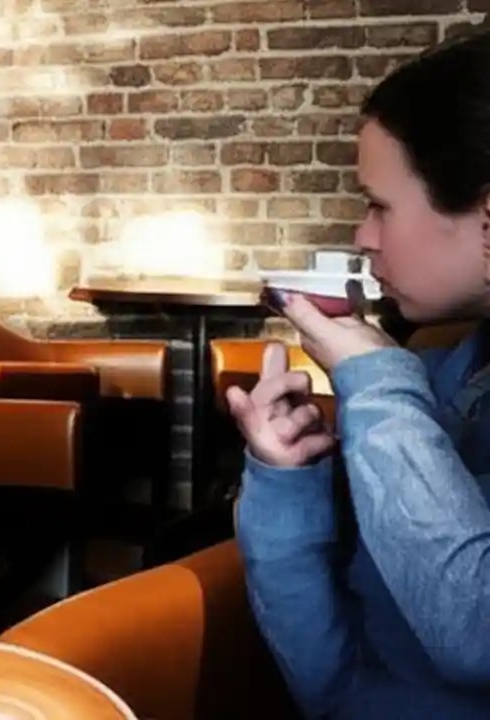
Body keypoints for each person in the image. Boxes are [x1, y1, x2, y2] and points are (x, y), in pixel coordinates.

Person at [227, 30, 490, 719]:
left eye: (380, 204)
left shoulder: (399, 393)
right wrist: (285, 482)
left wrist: (376, 378)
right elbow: (334, 689)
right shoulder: (438, 385)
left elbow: (478, 636)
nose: (363, 237)